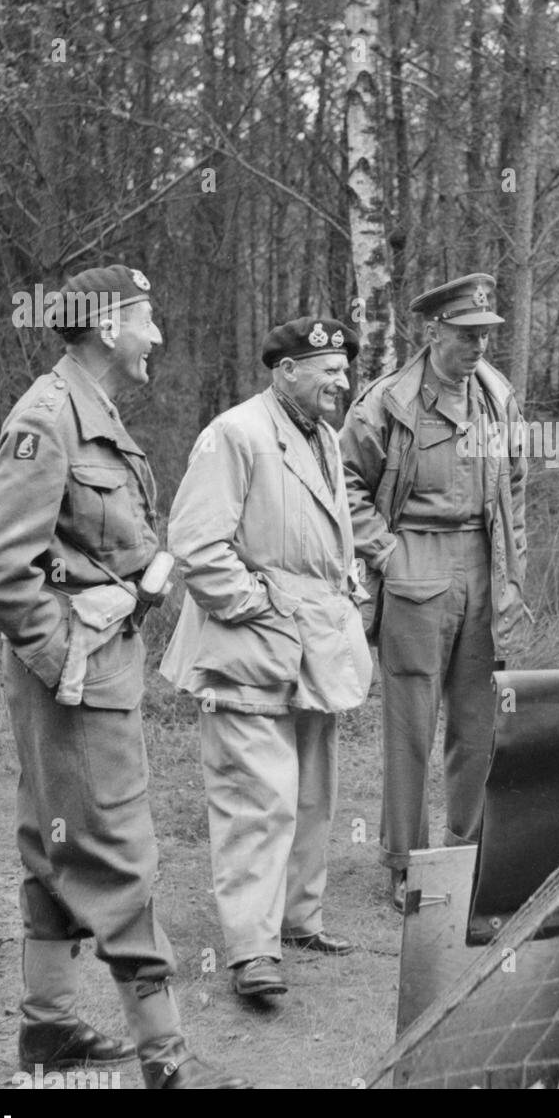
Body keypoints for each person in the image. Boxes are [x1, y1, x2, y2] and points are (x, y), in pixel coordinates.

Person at [0, 264, 249, 1089]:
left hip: (97, 666)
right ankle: (169, 1065)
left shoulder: (97, 415)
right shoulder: (49, 419)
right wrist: (61, 650)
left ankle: (48, 1031)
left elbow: (81, 547)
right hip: (78, 679)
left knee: (52, 847)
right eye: (147, 319)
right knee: (121, 856)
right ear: (107, 325)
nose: (157, 336)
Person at [161, 318, 372, 998]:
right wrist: (261, 606)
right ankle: (253, 951)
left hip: (316, 643)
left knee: (313, 791)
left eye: (342, 368)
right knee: (257, 798)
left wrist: (345, 584)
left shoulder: (325, 438)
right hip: (248, 643)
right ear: (285, 371)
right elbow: (197, 546)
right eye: (326, 369)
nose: (340, 381)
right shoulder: (236, 433)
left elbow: (325, 534)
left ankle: (298, 919)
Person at [339, 274, 529, 911]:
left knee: (479, 724)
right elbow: (345, 483)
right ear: (433, 330)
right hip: (416, 556)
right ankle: (406, 861)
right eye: (467, 334)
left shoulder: (498, 395)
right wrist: (386, 552)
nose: (478, 346)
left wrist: (513, 576)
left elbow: (515, 489)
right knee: (410, 723)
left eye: (486, 335)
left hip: (482, 557)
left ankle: (464, 852)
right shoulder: (388, 401)